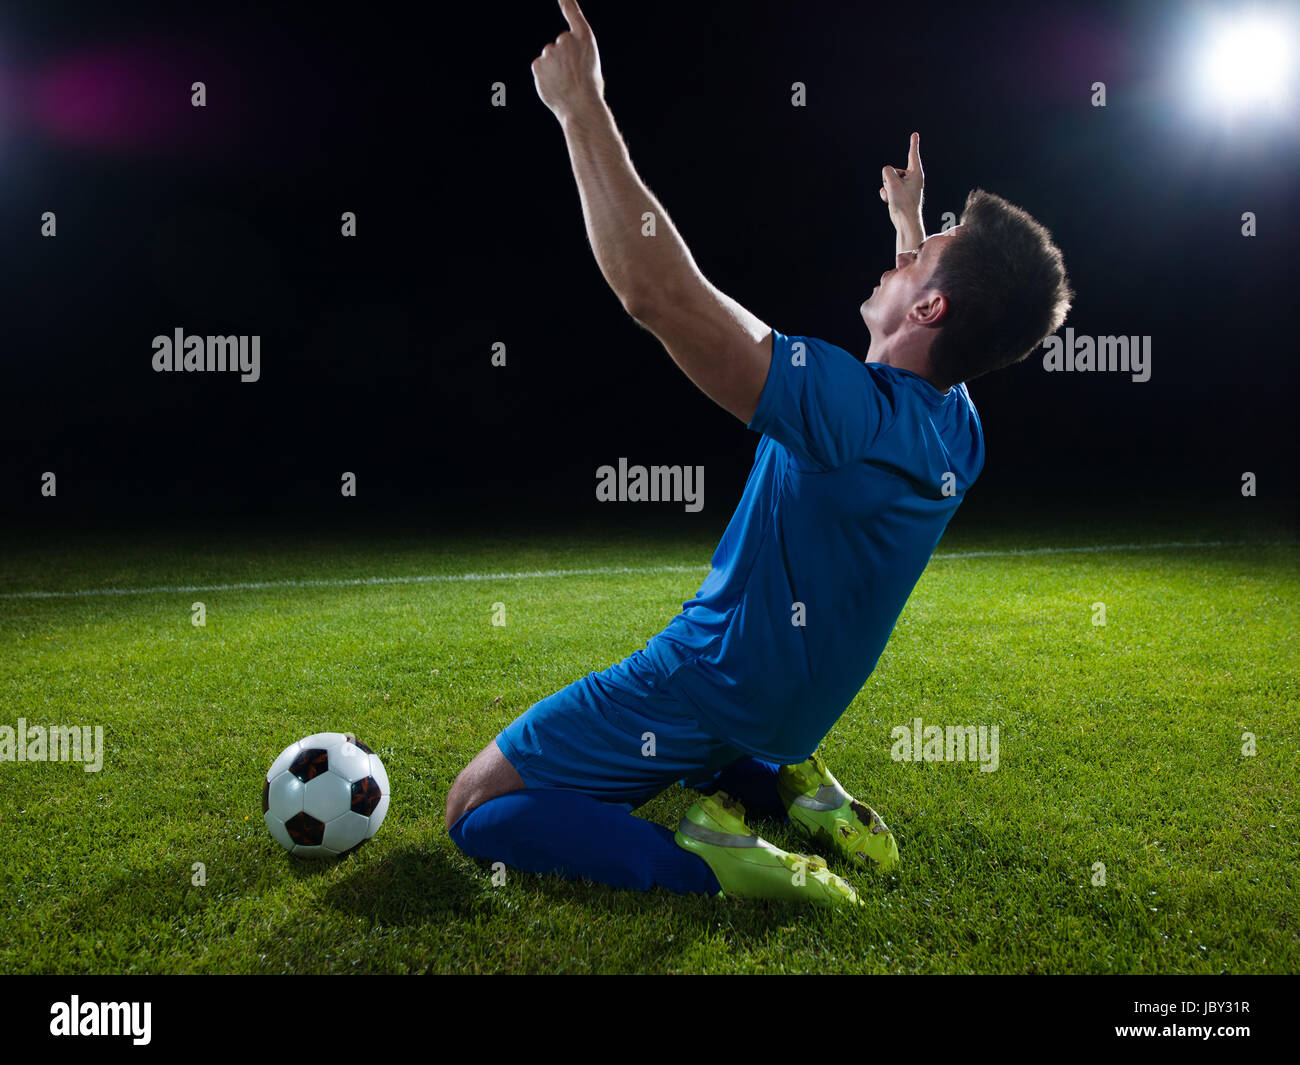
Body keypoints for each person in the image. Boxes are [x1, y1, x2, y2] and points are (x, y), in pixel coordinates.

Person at [446, 0, 1072, 907]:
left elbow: (657, 290)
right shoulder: (955, 428)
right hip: (787, 711)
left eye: (921, 257)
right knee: (757, 717)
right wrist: (913, 227)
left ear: (932, 309)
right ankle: (790, 781)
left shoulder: (842, 411)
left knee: (478, 807)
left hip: (707, 687)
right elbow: (915, 349)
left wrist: (579, 105)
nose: (902, 257)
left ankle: (710, 864)